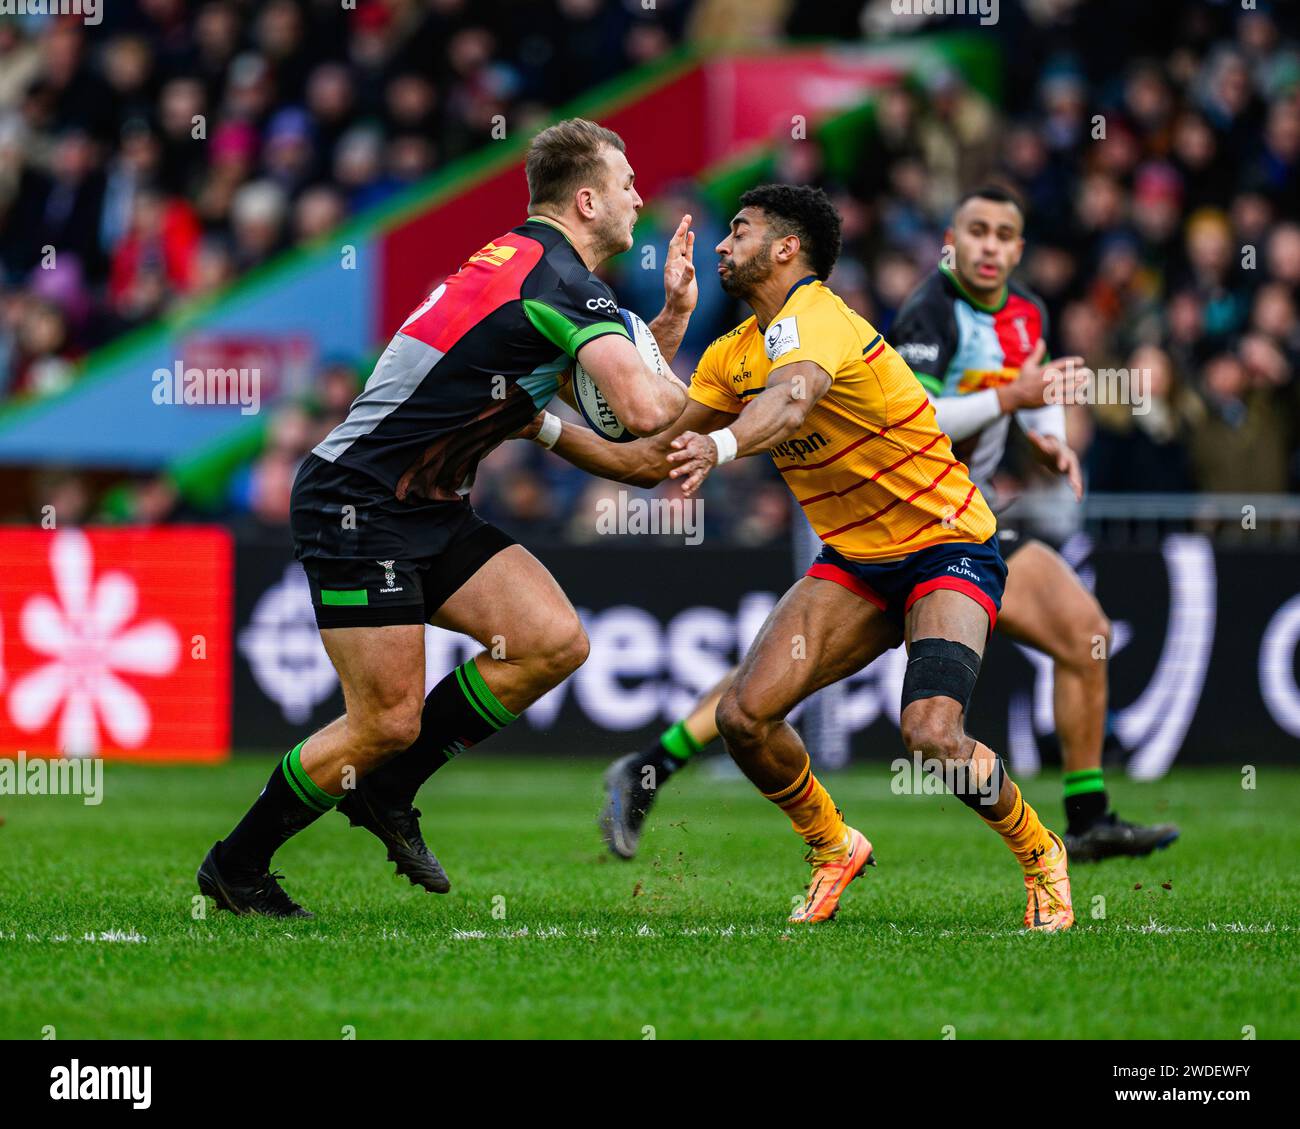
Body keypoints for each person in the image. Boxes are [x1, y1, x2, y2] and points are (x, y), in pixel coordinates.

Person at [524, 184, 1074, 929]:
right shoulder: (731, 353)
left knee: (931, 733)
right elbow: (650, 452)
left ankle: (1042, 852)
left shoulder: (819, 316)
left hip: (947, 543)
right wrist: (545, 428)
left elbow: (791, 401)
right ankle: (833, 843)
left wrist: (718, 447)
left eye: (739, 232)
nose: (720, 244)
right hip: (855, 561)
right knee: (745, 716)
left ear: (786, 248)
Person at [197, 118, 694, 917]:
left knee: (551, 642)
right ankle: (237, 863)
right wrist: (716, 384)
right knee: (385, 719)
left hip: (427, 506)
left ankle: (389, 788)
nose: (641, 196)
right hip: (357, 503)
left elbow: (627, 449)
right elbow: (642, 410)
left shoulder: (519, 266)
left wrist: (662, 325)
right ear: (589, 199)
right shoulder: (560, 284)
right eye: (629, 181)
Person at [598, 186, 1180, 867]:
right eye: (976, 231)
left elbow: (1035, 390)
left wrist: (1044, 435)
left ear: (1020, 249)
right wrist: (1009, 399)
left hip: (961, 511)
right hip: (896, 510)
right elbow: (930, 413)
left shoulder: (1026, 314)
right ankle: (658, 762)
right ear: (950, 245)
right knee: (775, 682)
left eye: (1004, 235)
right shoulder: (928, 314)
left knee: (1085, 636)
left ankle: (1085, 817)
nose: (990, 246)